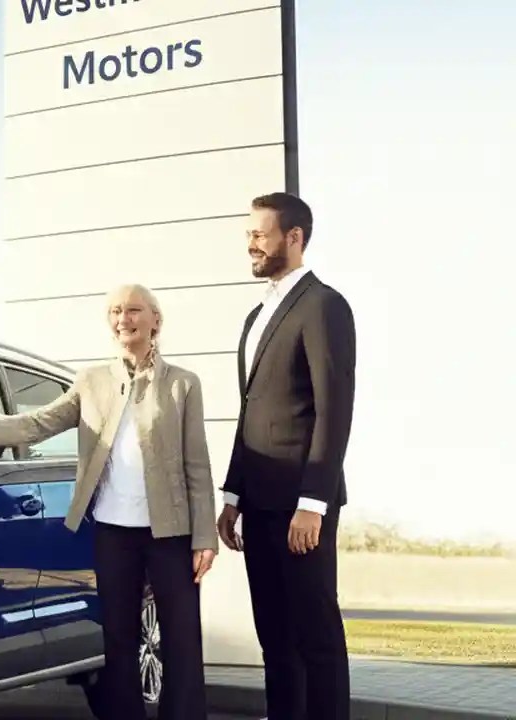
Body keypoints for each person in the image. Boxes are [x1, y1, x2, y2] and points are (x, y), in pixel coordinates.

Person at [0, 284, 218, 720]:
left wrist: (205, 536)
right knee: (119, 641)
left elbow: (196, 462)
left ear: (155, 320)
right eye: (116, 311)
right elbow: (35, 424)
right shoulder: (92, 381)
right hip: (112, 531)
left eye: (133, 310)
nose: (123, 319)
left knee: (181, 642)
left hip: (171, 533)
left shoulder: (182, 384)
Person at [217, 192, 356, 720]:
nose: (250, 243)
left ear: (293, 237)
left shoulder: (324, 306)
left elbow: (334, 409)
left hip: (302, 507)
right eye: (248, 234)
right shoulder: (256, 316)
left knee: (316, 638)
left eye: (260, 233)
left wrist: (313, 503)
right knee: (274, 639)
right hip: (258, 504)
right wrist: (232, 495)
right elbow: (250, 412)